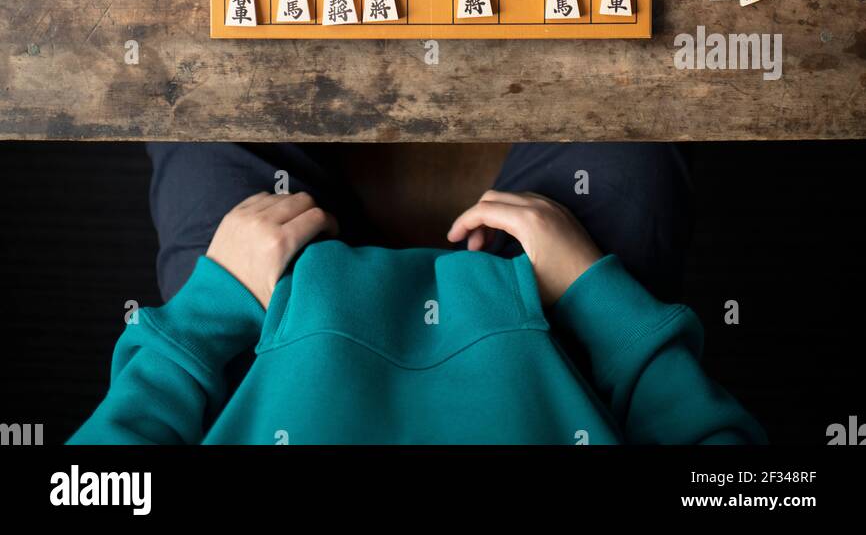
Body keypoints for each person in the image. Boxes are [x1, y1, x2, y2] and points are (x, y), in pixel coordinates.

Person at [68, 143, 765, 445]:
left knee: (202, 30)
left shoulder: (227, 313)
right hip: (574, 341)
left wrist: (207, 312)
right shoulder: (588, 310)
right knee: (636, 41)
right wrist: (599, 298)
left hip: (248, 338)